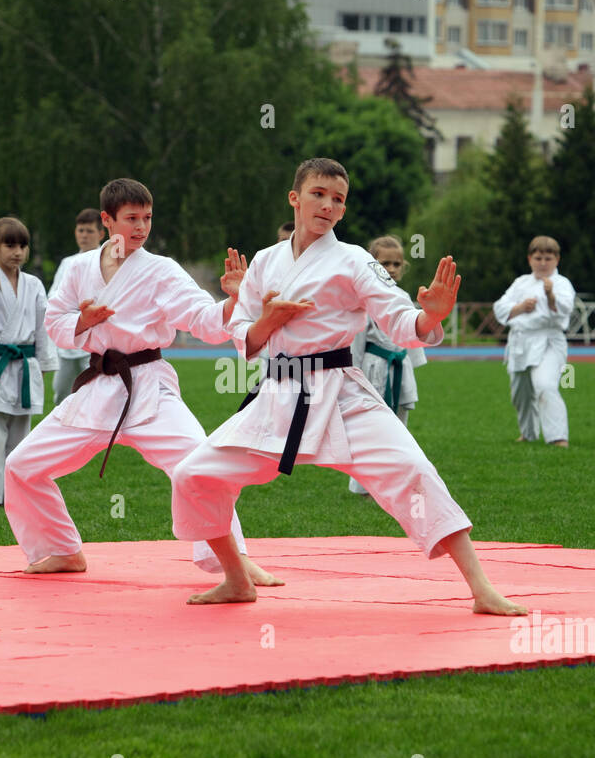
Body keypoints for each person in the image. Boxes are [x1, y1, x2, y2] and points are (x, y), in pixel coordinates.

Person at [170, 158, 526, 615]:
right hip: (278, 396)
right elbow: (245, 336)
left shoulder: (354, 260)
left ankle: (481, 589)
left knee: (413, 471)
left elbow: (398, 319)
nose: (328, 205)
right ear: (295, 198)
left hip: (340, 394)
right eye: (318, 194)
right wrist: (270, 320)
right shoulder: (265, 261)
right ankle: (237, 580)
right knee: (194, 475)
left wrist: (430, 316)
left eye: (338, 199)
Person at [3, 178, 278, 586]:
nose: (140, 227)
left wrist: (233, 302)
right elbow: (55, 324)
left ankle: (232, 558)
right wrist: (84, 321)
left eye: (147, 218)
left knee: (198, 462)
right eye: (131, 218)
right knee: (20, 466)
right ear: (106, 220)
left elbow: (201, 318)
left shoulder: (160, 270)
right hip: (99, 387)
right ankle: (60, 549)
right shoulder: (77, 268)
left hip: (149, 387)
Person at [0, 216, 58, 505]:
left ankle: (15, 494)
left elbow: (44, 327)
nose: (17, 252)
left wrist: (44, 366)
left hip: (25, 365)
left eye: (22, 246)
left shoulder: (34, 284)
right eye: (10, 245)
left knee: (21, 434)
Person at [348, 235, 426, 496]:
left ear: (403, 267)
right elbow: (357, 340)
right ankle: (362, 486)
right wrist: (353, 371)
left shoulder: (403, 296)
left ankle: (393, 483)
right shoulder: (364, 298)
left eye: (396, 264)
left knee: (399, 427)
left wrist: (414, 361)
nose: (391, 269)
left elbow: (412, 332)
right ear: (372, 264)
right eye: (385, 263)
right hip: (372, 367)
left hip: (400, 367)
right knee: (371, 428)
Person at [491, 236, 574, 446]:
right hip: (520, 341)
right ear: (530, 259)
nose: (543, 263)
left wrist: (551, 295)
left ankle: (558, 437)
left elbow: (565, 310)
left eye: (548, 258)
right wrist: (520, 308)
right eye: (538, 258)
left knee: (545, 385)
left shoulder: (562, 283)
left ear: (557, 259)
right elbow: (500, 307)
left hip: (548, 340)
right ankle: (528, 433)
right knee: (521, 393)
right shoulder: (521, 283)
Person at [49, 208, 105, 406]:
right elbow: (53, 298)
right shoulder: (67, 263)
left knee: (94, 396)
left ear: (101, 234)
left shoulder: (107, 262)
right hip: (68, 341)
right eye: (80, 230)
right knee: (61, 393)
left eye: (89, 231)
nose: (84, 235)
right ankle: (61, 431)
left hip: (95, 343)